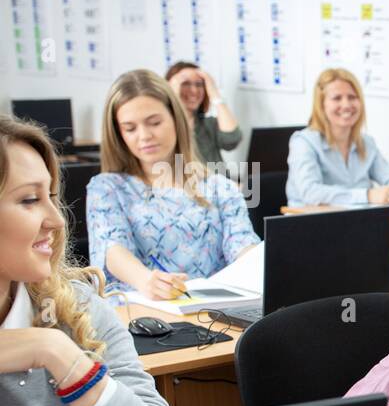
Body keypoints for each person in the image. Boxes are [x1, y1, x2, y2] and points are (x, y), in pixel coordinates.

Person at [0, 114, 174, 406]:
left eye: (51, 197)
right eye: (28, 201)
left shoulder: (77, 310)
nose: (56, 221)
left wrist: (60, 354)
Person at [87, 69, 260, 301]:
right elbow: (113, 249)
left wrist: (259, 263)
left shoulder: (220, 187)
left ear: (176, 120)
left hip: (211, 314)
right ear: (119, 134)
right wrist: (145, 280)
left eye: (155, 122)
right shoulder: (106, 188)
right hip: (140, 315)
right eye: (130, 128)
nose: (144, 135)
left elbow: (242, 244)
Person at [286, 68, 389, 207]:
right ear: (321, 105)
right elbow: (311, 193)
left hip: (357, 221)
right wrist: (368, 195)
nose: (346, 105)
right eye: (337, 98)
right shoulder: (304, 143)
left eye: (352, 97)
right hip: (309, 223)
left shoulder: (366, 143)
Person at [165, 61, 242, 166]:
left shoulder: (208, 124)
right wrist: (172, 96)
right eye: (185, 83)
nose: (194, 90)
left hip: (217, 181)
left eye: (199, 84)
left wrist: (214, 94)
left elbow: (232, 140)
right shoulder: (162, 127)